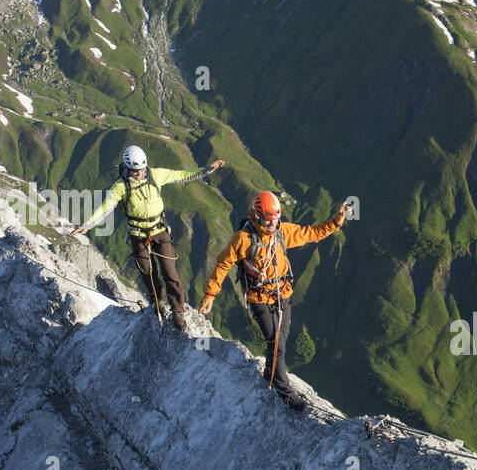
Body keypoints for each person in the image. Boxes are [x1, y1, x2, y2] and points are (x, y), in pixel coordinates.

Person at [200, 191, 348, 410]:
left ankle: (270, 373)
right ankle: (283, 391)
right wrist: (211, 294)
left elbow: (311, 234)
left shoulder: (282, 231)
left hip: (282, 294)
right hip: (258, 297)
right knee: (275, 338)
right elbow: (223, 263)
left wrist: (337, 221)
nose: (273, 225)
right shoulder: (243, 238)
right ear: (258, 217)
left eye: (275, 220)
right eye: (269, 222)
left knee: (281, 339)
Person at [75, 145, 225, 331]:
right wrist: (87, 225)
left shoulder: (154, 175)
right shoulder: (120, 186)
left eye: (141, 170)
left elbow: (181, 175)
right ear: (128, 169)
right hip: (138, 235)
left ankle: (178, 311)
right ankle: (158, 303)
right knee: (147, 271)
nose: (139, 174)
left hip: (159, 230)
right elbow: (105, 207)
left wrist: (207, 170)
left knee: (170, 271)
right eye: (135, 171)